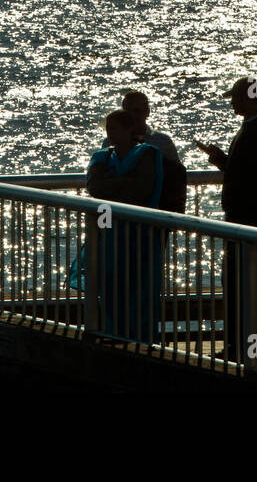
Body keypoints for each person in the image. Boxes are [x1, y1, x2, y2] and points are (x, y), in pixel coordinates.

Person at [196, 76, 257, 362]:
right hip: (249, 211)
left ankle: (247, 346)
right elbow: (247, 170)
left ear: (246, 99)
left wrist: (222, 162)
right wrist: (224, 160)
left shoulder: (256, 130)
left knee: (241, 280)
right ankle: (248, 344)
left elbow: (245, 174)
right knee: (244, 279)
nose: (231, 102)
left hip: (246, 214)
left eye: (235, 98)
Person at [85, 109, 166, 342]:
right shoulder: (102, 157)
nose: (110, 133)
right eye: (108, 129)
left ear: (130, 130)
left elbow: (142, 190)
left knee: (140, 283)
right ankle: (113, 331)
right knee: (110, 280)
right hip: (110, 229)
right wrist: (123, 182)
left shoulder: (148, 154)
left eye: (115, 129)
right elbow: (95, 188)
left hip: (140, 231)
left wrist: (112, 183)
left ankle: (140, 335)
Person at [103, 90, 181, 171]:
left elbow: (178, 174)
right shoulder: (110, 142)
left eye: (137, 111)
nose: (132, 115)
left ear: (147, 111)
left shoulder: (163, 141)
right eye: (128, 111)